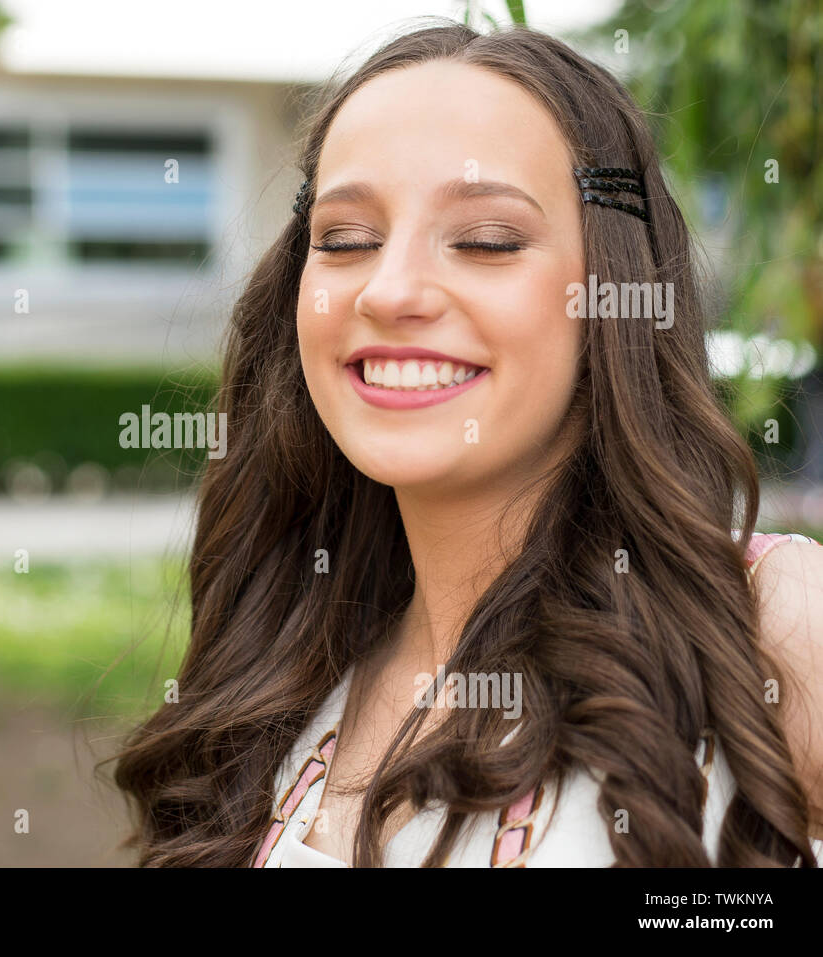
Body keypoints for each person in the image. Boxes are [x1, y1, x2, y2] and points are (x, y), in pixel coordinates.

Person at [108, 21, 823, 867]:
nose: (392, 288)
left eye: (487, 241)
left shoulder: (770, 622)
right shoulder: (283, 664)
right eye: (345, 240)